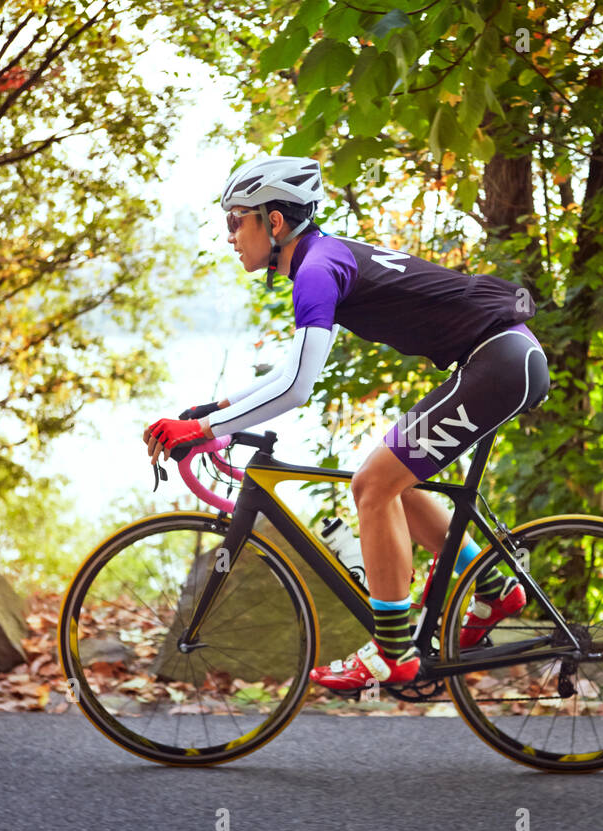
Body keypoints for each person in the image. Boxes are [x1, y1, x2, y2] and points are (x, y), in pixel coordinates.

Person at [144, 155, 550, 690]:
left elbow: (296, 389)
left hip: (499, 362)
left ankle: (392, 652)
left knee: (372, 486)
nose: (229, 236)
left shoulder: (315, 269)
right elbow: (292, 371)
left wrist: (200, 433)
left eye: (234, 220)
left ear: (275, 222)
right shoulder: (322, 259)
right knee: (393, 479)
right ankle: (495, 588)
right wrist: (212, 414)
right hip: (500, 359)